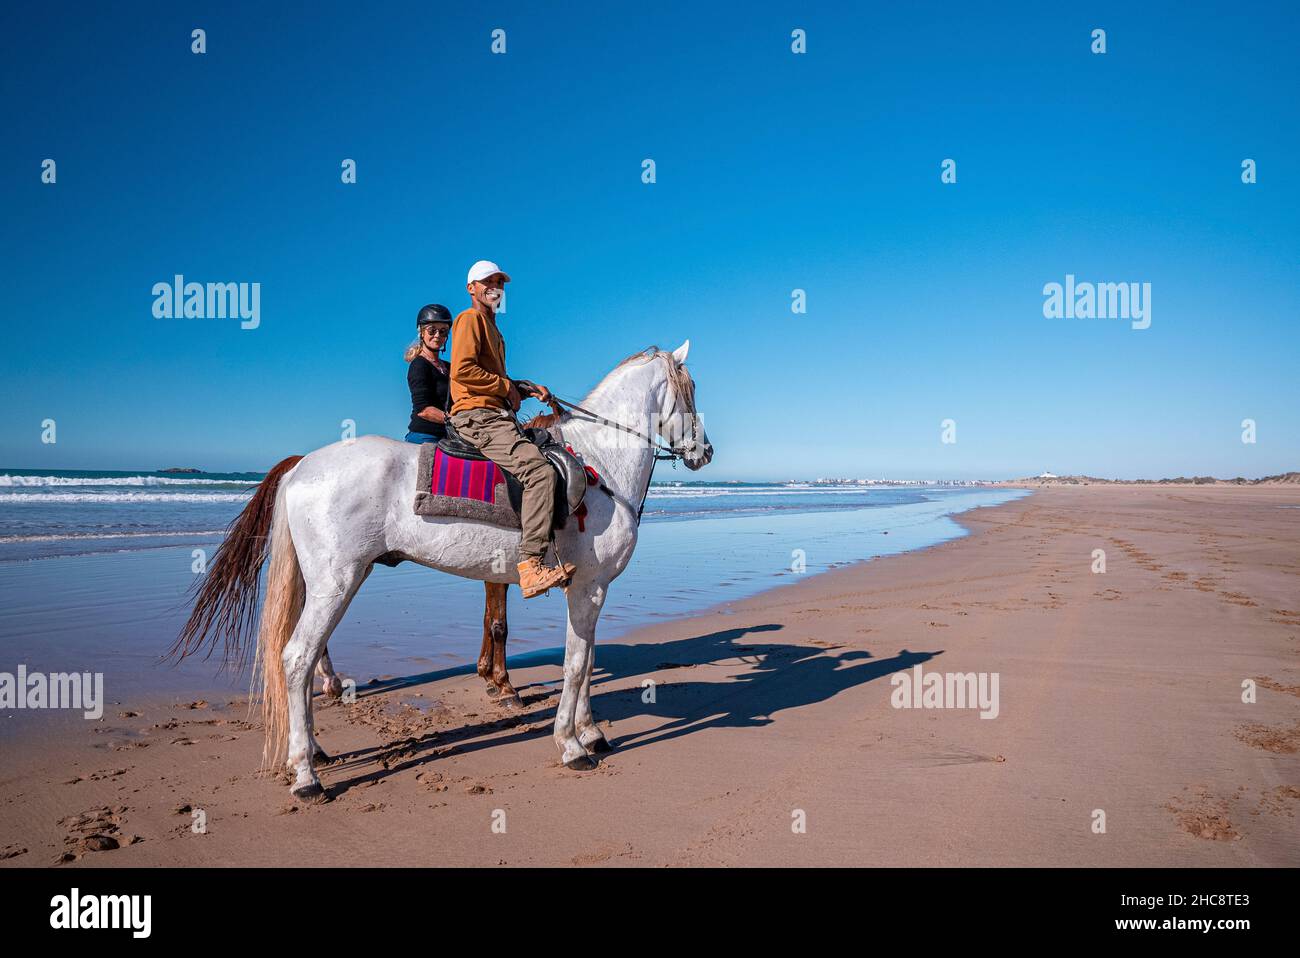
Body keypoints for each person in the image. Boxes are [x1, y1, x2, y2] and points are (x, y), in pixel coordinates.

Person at [448, 260, 575, 598]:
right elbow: (463, 372)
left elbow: (492, 378)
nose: (495, 288)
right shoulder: (469, 319)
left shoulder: (493, 329)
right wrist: (506, 388)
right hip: (478, 416)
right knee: (539, 472)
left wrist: (527, 387)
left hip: (494, 413)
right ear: (471, 288)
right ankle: (531, 566)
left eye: (499, 283)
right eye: (487, 282)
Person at [404, 304, 452, 444]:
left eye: (443, 331)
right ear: (421, 332)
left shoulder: (449, 367)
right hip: (426, 435)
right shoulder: (419, 365)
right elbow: (423, 410)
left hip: (449, 435)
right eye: (432, 330)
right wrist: (454, 421)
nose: (437, 335)